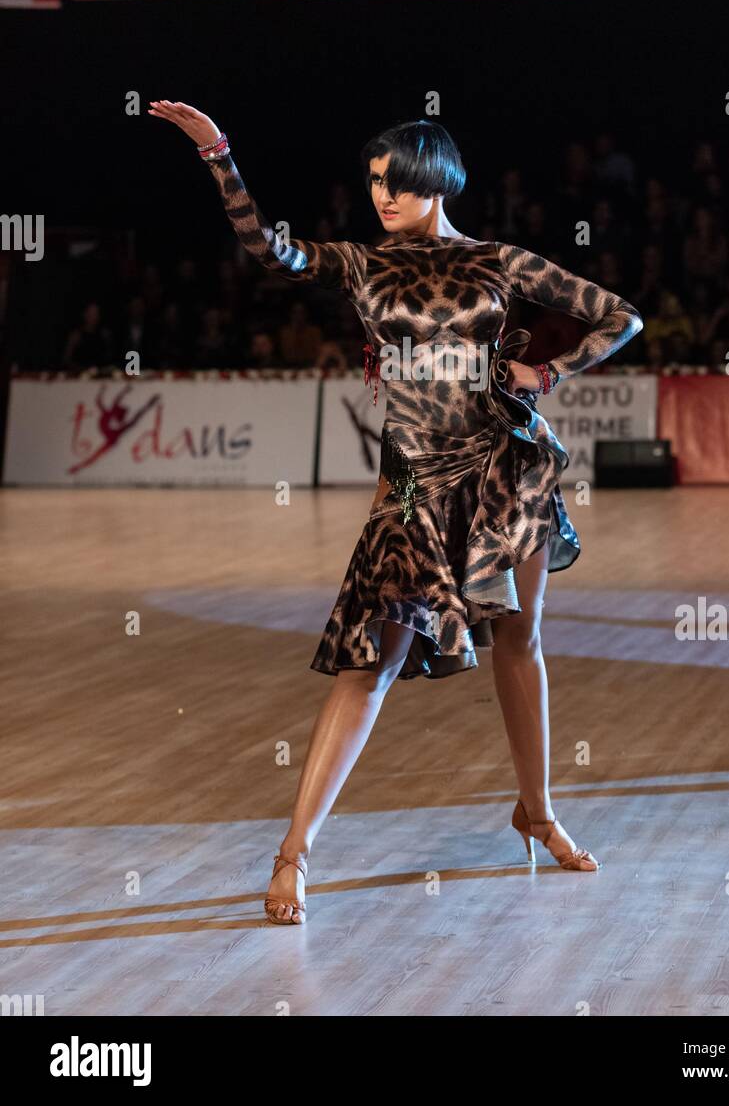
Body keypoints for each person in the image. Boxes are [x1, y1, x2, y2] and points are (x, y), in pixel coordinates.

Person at [148, 100, 643, 926]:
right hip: (412, 482)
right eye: (374, 181)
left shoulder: (497, 260)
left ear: (436, 179)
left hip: (503, 470)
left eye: (396, 181)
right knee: (368, 667)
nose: (381, 195)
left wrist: (544, 376)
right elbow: (267, 248)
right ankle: (292, 853)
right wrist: (219, 157)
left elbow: (618, 316)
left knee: (519, 642)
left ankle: (537, 811)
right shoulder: (358, 264)